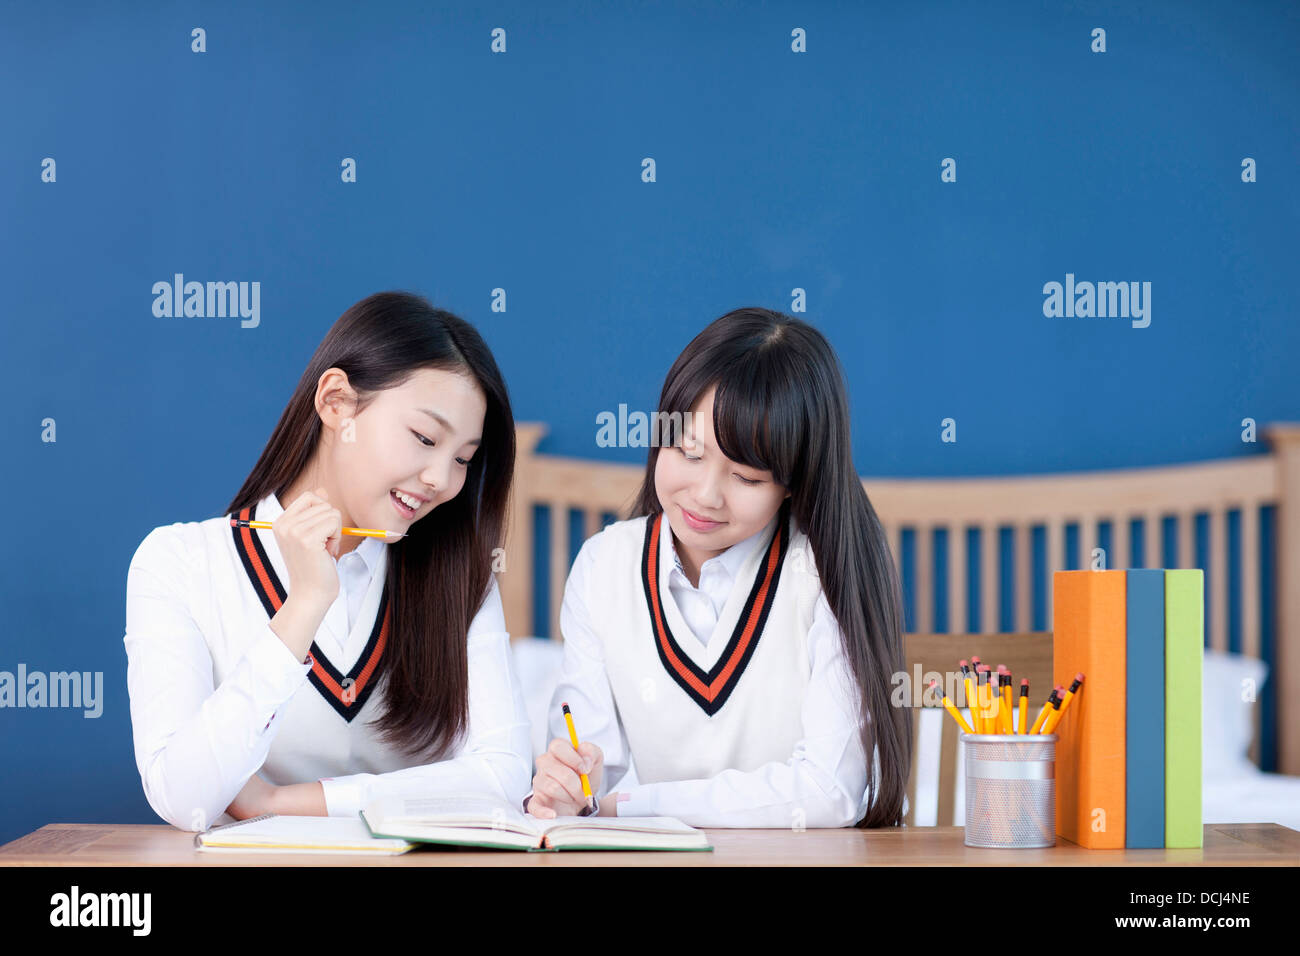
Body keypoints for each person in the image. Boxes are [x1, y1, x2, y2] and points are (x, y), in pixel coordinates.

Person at [124, 291, 531, 831]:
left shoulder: (459, 580)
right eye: (425, 438)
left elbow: (502, 776)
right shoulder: (179, 562)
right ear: (337, 403)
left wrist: (280, 802)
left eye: (462, 459)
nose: (441, 479)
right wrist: (304, 607)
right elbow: (184, 798)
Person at [526, 307, 911, 827]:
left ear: (794, 480)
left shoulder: (824, 572)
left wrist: (635, 806)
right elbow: (592, 777)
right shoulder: (604, 567)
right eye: (687, 452)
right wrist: (571, 788)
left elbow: (828, 790)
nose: (705, 496)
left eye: (747, 478)